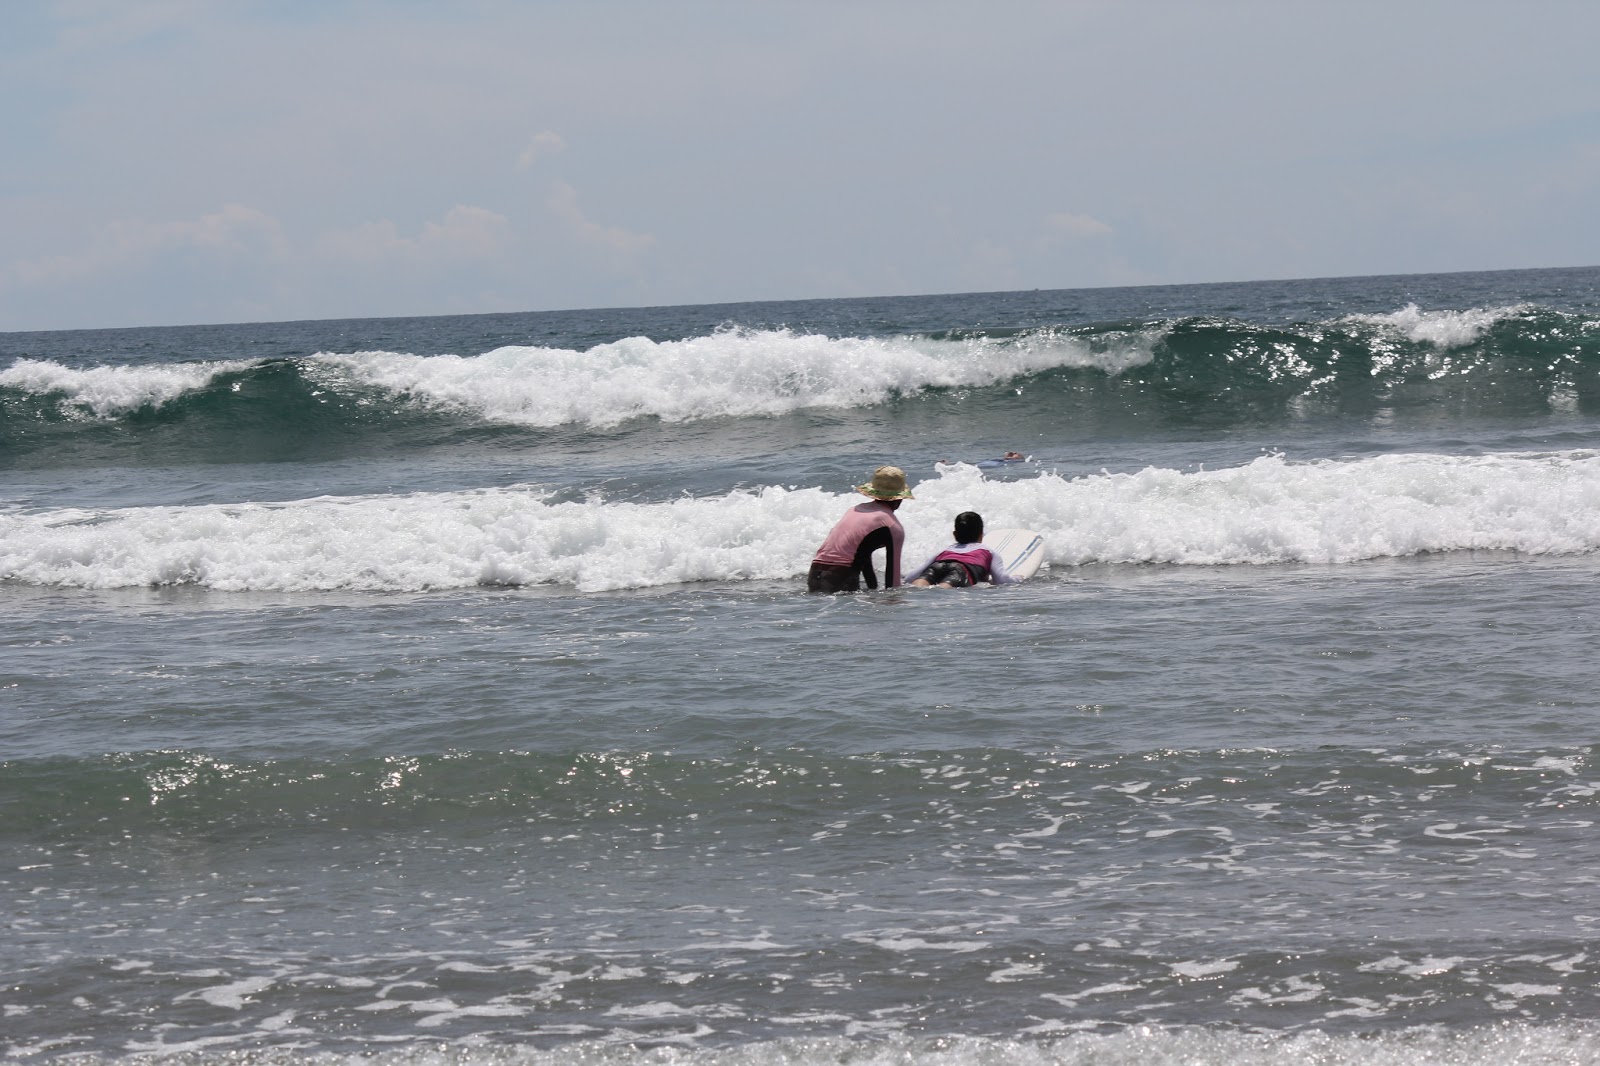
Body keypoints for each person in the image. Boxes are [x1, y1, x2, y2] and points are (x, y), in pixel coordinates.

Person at [807, 465, 913, 593]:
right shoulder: (892, 526)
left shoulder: (855, 510)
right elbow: (893, 581)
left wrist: (872, 588)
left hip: (814, 573)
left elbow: (862, 554)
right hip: (840, 575)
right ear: (900, 497)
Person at [908, 511, 1014, 588]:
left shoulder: (944, 551)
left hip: (938, 565)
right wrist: (1019, 580)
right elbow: (1002, 579)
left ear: (954, 535)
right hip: (962, 570)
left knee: (917, 588)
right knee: (941, 591)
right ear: (981, 535)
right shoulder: (987, 551)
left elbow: (912, 576)